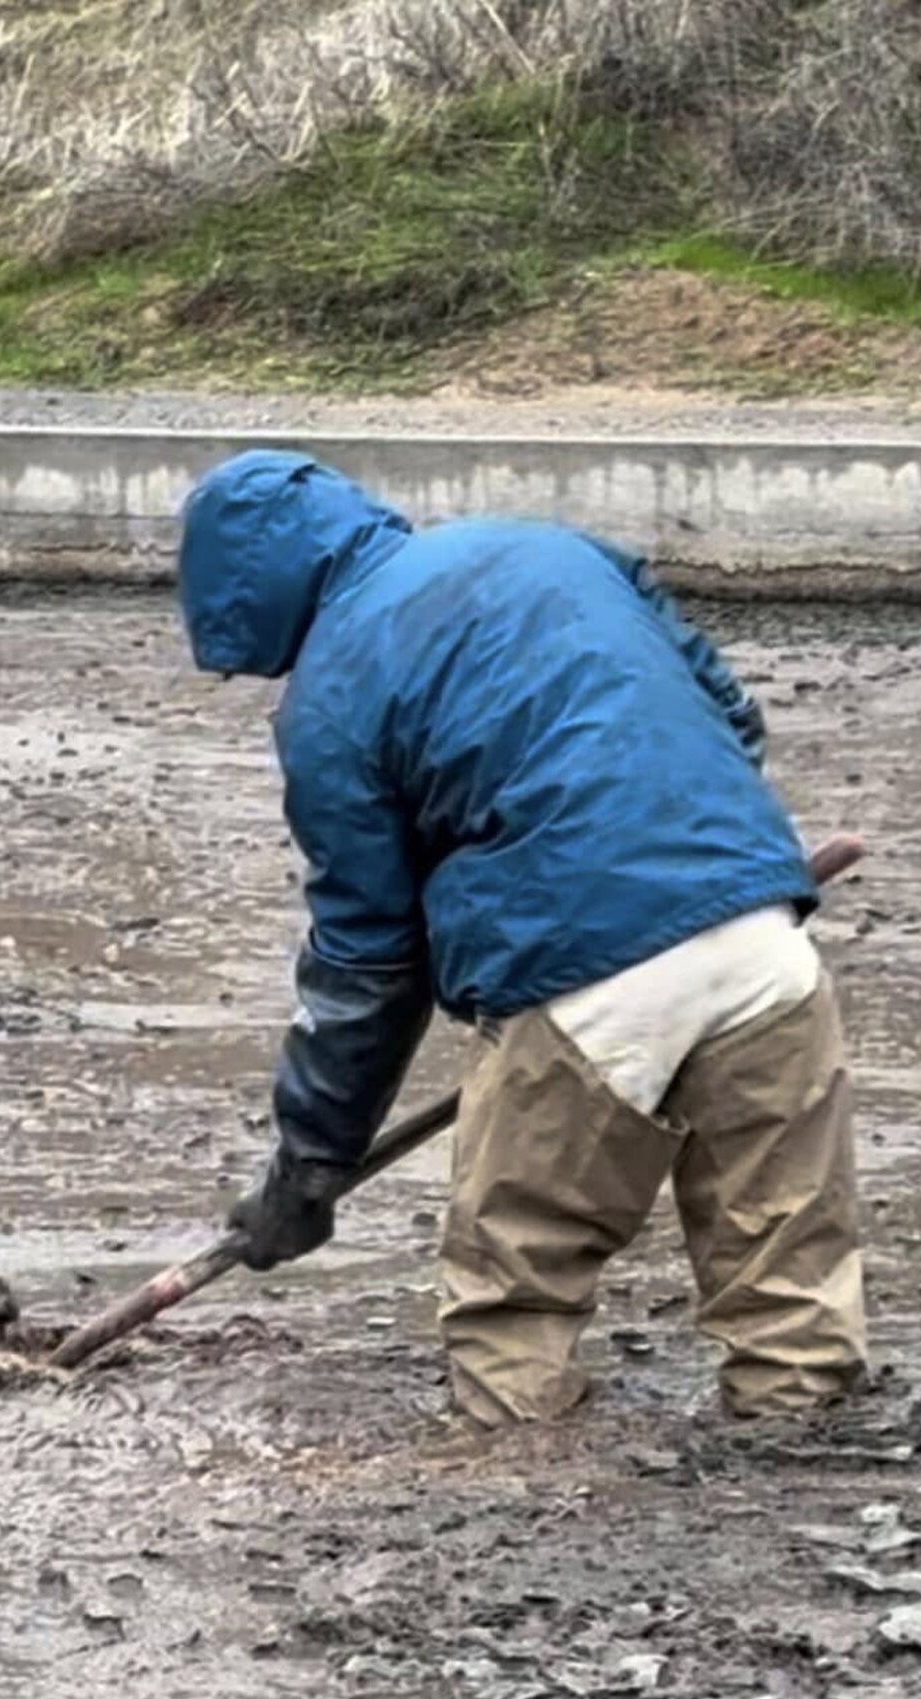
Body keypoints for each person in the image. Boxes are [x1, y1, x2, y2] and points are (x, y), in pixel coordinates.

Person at [177, 450, 867, 1424]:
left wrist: (311, 1160)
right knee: (787, 1281)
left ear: (242, 596)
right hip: (763, 940)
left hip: (585, 983)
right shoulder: (555, 551)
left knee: (515, 1291)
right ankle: (807, 1491)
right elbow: (728, 718)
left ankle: (517, 1499)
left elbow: (368, 956)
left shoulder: (327, 700)